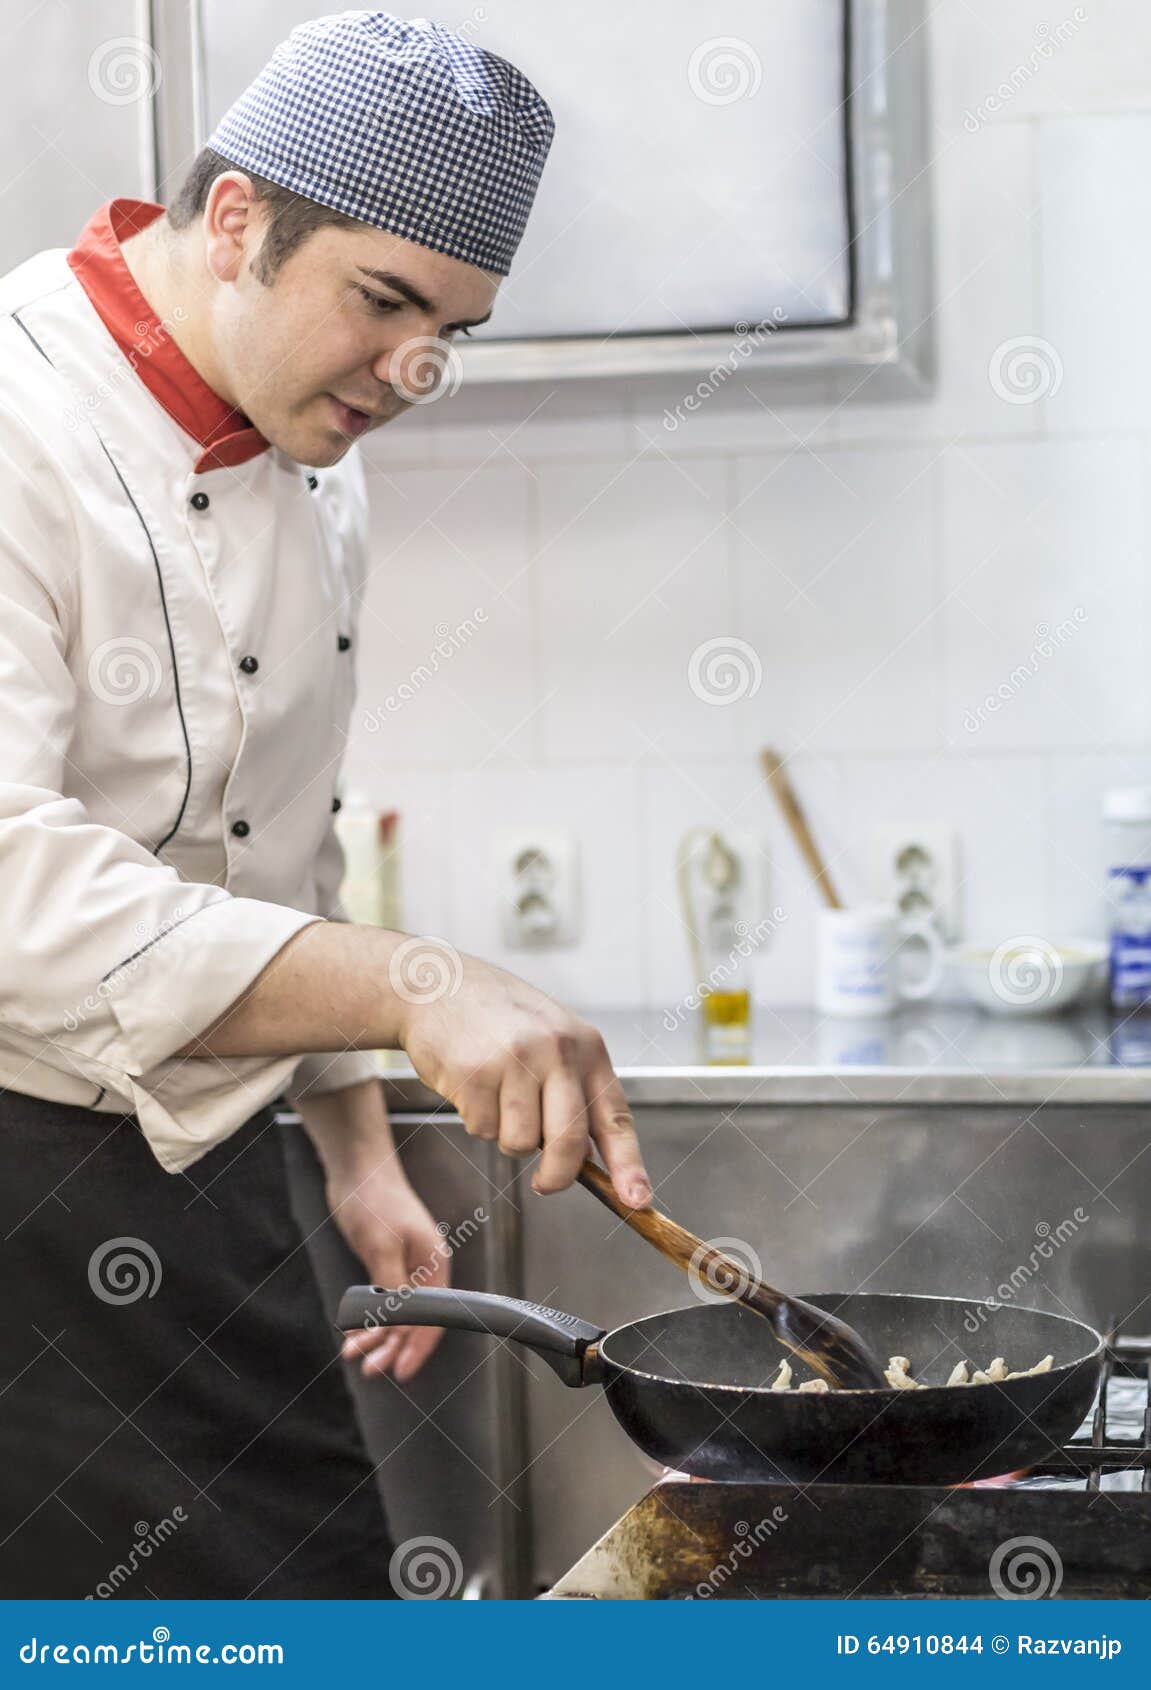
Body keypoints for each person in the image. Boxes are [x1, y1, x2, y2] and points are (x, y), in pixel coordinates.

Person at [0, 10, 651, 1599]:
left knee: (318, 1592)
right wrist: (417, 982)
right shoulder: (21, 425)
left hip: (206, 1172)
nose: (416, 368)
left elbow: (275, 841)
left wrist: (352, 1138)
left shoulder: (314, 450)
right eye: (385, 302)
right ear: (236, 221)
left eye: (456, 329)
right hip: (17, 1191)